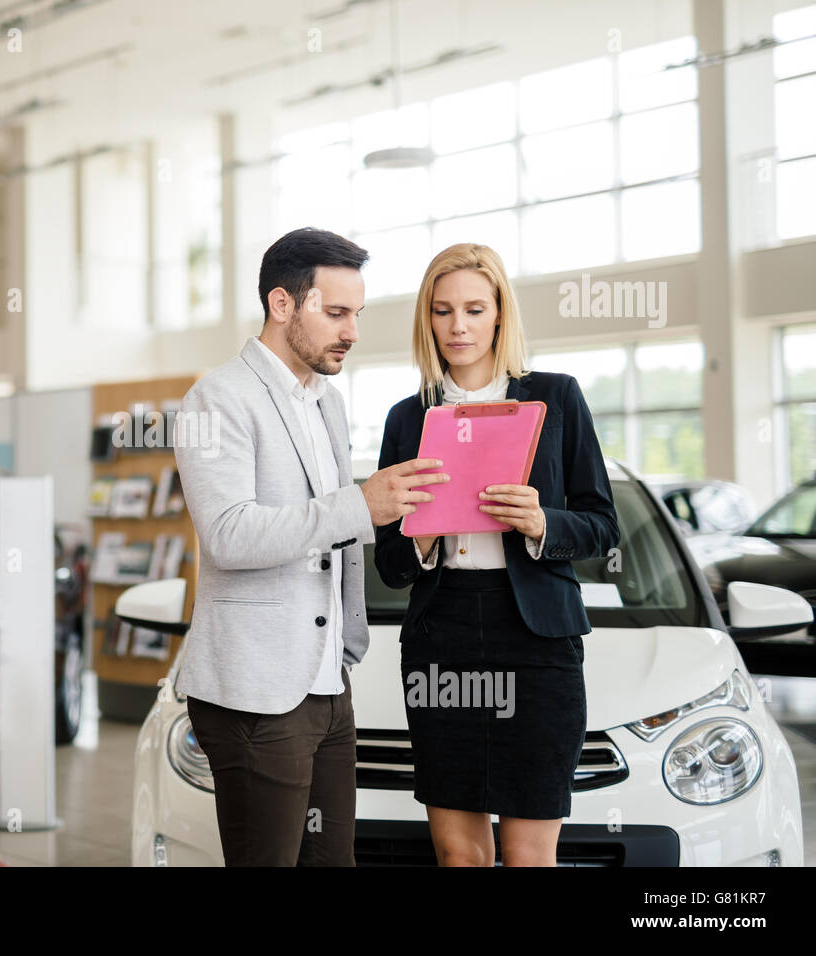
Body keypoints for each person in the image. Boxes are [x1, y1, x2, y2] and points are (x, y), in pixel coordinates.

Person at [173, 227, 446, 866]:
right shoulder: (218, 398)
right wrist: (362, 504)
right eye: (336, 312)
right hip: (256, 691)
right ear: (283, 305)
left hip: (327, 683)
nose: (351, 331)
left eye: (357, 314)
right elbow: (229, 534)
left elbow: (327, 532)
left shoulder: (327, 402)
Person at [373, 242, 619, 866]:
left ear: (500, 314)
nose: (458, 326)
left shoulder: (556, 398)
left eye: (475, 309)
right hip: (442, 636)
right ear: (426, 320)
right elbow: (388, 565)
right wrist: (417, 539)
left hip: (536, 640)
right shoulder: (407, 417)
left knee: (530, 856)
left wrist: (541, 522)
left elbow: (601, 526)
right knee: (460, 856)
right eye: (443, 310)